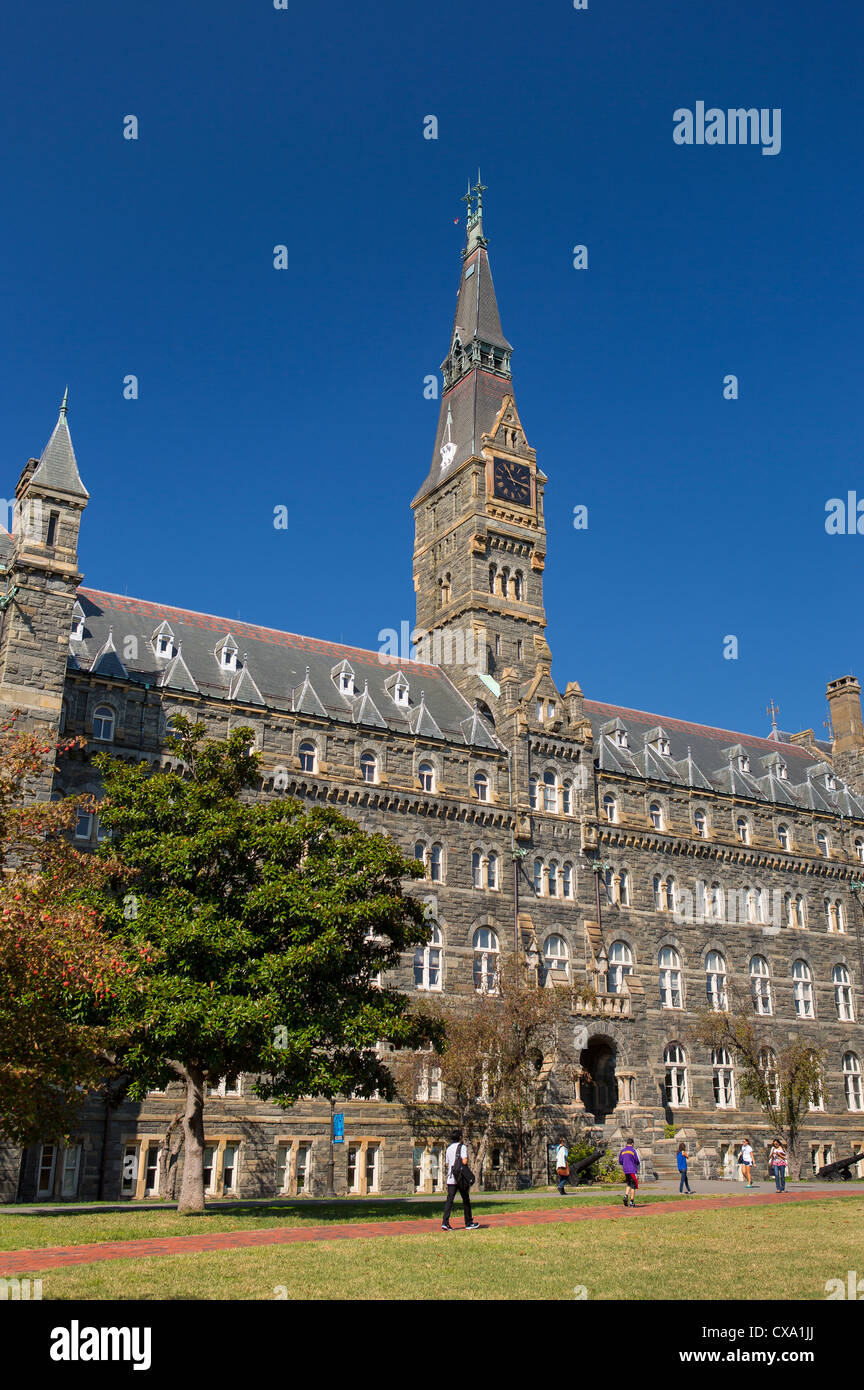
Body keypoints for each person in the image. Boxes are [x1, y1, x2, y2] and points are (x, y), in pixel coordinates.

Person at [442, 1130, 479, 1231]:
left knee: (449, 1200)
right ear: (460, 1138)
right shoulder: (462, 1147)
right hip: (460, 1178)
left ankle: (445, 1222)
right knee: (466, 1200)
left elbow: (447, 1164)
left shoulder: (448, 1148)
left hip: (451, 1177)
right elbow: (464, 1160)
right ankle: (468, 1222)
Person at [618, 1137, 641, 1208]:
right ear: (632, 1143)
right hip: (632, 1170)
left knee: (629, 1184)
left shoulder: (623, 1151)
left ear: (627, 1143)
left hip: (626, 1170)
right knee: (633, 1186)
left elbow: (620, 1161)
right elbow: (637, 1160)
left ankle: (626, 1195)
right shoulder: (633, 1150)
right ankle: (632, 1202)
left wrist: (625, 1163)